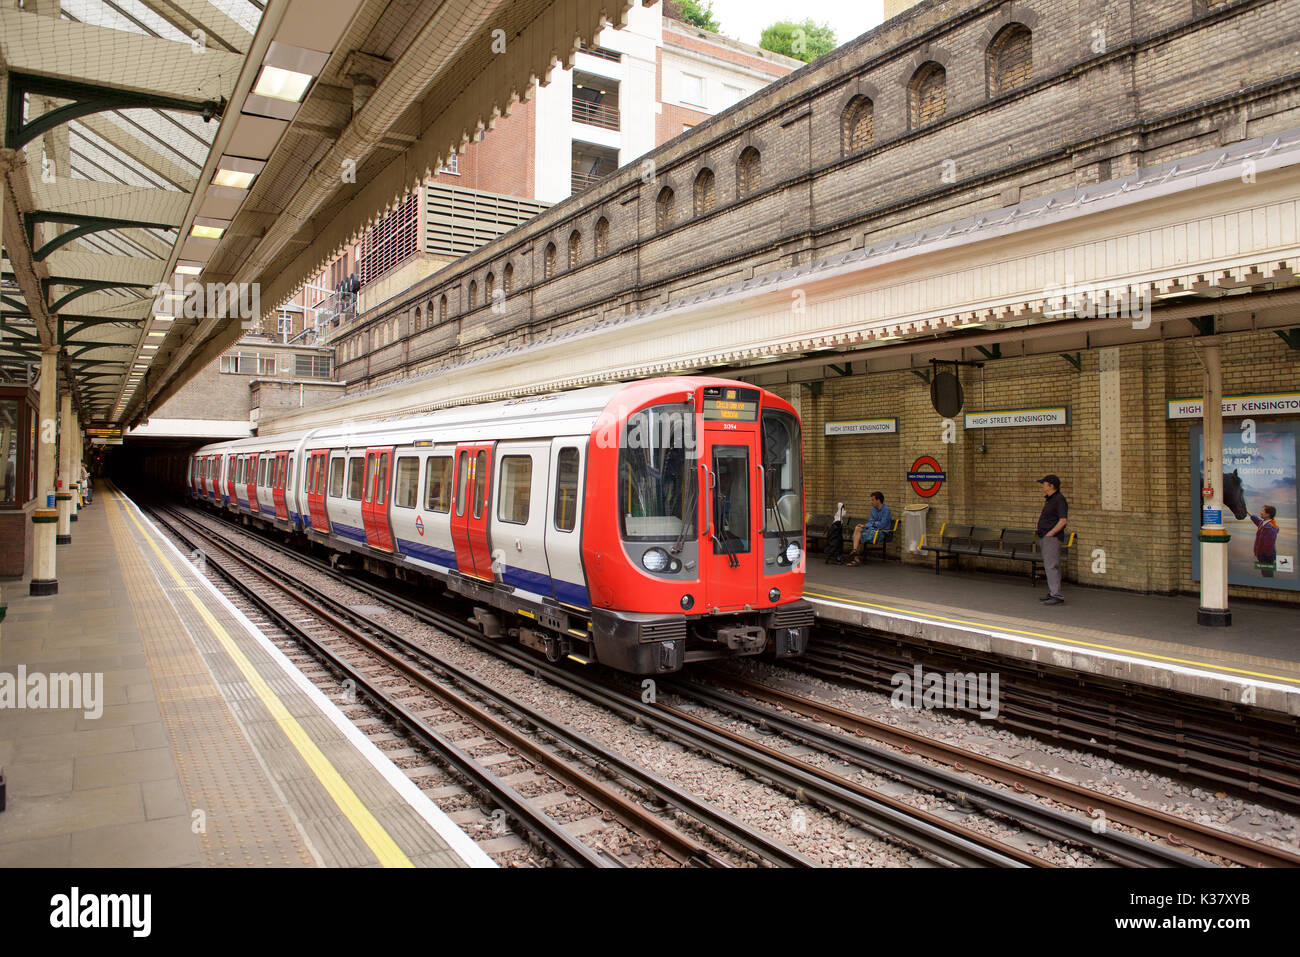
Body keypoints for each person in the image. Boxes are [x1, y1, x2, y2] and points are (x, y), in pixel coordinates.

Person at [1037, 474, 1068, 605]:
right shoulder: (1050, 499)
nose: (1042, 486)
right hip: (1046, 537)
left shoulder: (1059, 500)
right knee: (1050, 565)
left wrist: (1050, 533)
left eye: (1044, 483)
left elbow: (1063, 521)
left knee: (1051, 566)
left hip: (1052, 538)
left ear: (1051, 485)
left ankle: (1056, 595)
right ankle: (1052, 592)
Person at [847, 492, 892, 566]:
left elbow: (882, 525)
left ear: (878, 500)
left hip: (881, 532)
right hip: (872, 530)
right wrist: (864, 525)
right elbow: (871, 522)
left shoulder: (886, 510)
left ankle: (856, 558)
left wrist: (873, 523)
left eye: (872, 500)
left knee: (857, 536)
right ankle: (855, 551)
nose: (871, 502)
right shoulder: (872, 510)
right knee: (858, 528)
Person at [1251, 506, 1279, 577]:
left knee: (1267, 575)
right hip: (1262, 556)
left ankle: (1271, 587)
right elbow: (1257, 520)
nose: (1261, 512)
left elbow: (1269, 545)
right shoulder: (1263, 523)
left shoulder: (1270, 528)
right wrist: (1250, 514)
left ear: (1268, 514)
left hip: (1266, 557)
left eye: (1263, 511)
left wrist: (1262, 556)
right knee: (1265, 574)